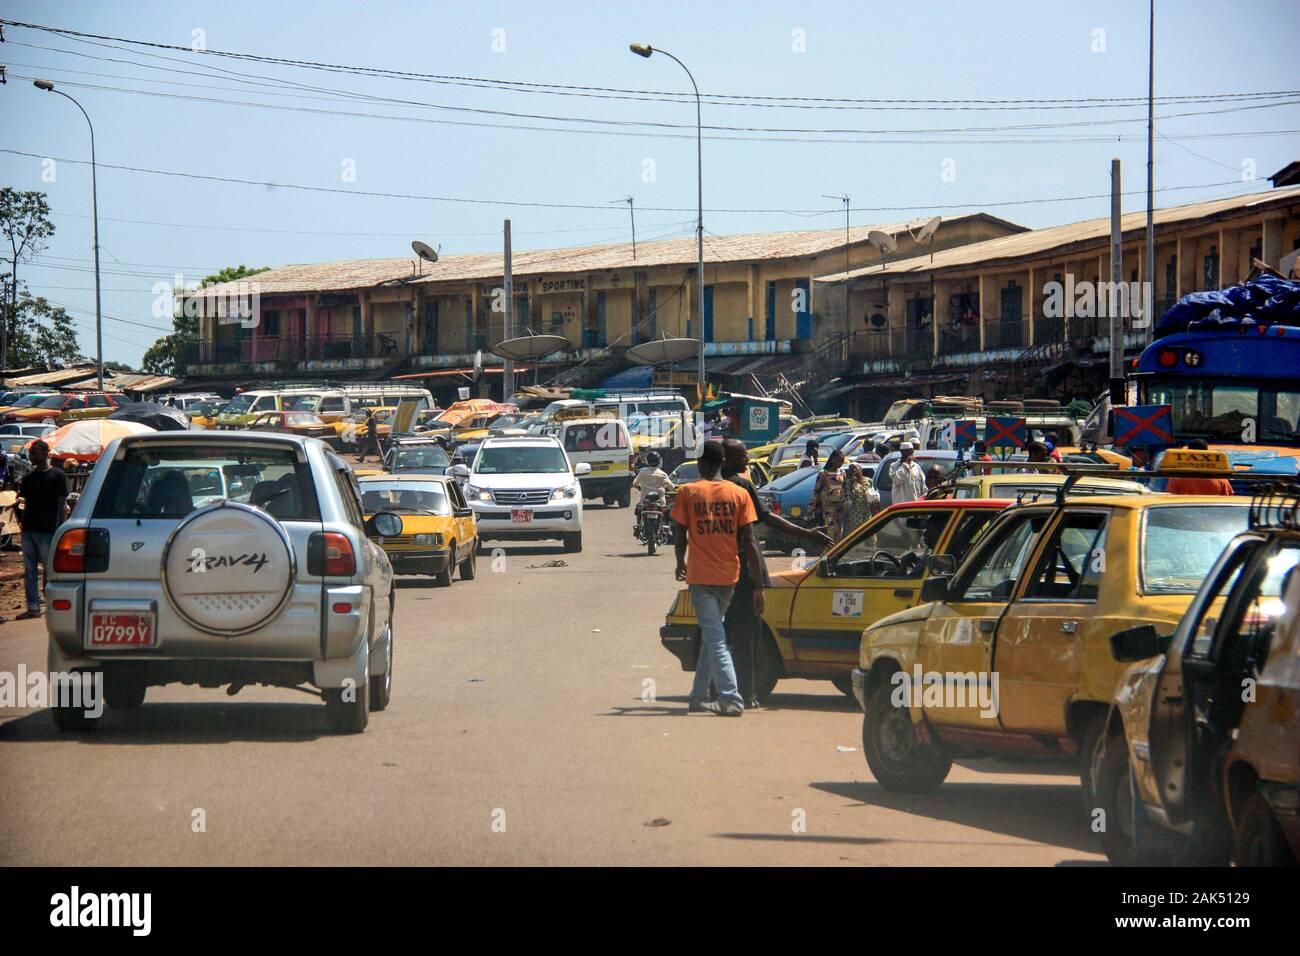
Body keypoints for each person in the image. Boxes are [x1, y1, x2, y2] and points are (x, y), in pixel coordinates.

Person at [721, 439, 831, 707]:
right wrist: (807, 534)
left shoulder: (705, 489)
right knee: (748, 634)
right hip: (743, 571)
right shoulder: (741, 486)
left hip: (714, 571)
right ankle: (747, 693)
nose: (747, 460)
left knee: (720, 636)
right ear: (728, 459)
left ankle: (718, 690)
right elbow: (763, 522)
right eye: (742, 456)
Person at [671, 441, 765, 716]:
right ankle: (699, 696)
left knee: (716, 638)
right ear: (722, 463)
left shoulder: (688, 492)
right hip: (730, 578)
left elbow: (679, 534)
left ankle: (731, 699)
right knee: (714, 635)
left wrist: (680, 562)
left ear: (702, 464)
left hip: (701, 578)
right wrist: (758, 584)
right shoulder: (739, 493)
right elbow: (750, 542)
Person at [16, 439, 68, 620]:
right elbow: (25, 503)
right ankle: (33, 608)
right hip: (29, 530)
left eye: (36, 453)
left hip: (48, 530)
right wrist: (22, 526)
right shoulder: (28, 478)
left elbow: (62, 504)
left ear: (46, 454)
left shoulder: (57, 475)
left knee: (50, 569)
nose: (32, 456)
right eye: (32, 453)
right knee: (30, 570)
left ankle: (53, 603)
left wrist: (62, 527)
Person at [1167, 438, 1235, 495]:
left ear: (1188, 453)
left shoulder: (1176, 478)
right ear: (1207, 453)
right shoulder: (1220, 479)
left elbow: (1170, 498)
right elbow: (1228, 501)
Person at [631, 450, 675, 532]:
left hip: (644, 501)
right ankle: (667, 527)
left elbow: (634, 484)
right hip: (660, 503)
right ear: (659, 461)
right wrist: (667, 487)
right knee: (668, 510)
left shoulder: (642, 472)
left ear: (647, 461)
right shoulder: (663, 474)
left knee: (638, 508)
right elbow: (671, 487)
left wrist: (639, 487)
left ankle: (639, 525)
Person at [811, 449, 848, 542]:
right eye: (839, 461)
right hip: (828, 508)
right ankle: (827, 555)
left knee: (840, 534)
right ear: (833, 460)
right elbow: (816, 491)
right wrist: (811, 507)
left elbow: (845, 488)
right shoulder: (823, 473)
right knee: (831, 533)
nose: (841, 463)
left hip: (839, 507)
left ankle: (837, 554)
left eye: (842, 461)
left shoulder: (842, 473)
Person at [842, 463, 879, 535]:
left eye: (855, 468)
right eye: (851, 469)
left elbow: (873, 497)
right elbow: (849, 495)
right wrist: (851, 479)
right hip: (855, 517)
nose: (853, 470)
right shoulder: (849, 482)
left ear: (860, 469)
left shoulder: (869, 481)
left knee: (870, 537)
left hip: (867, 515)